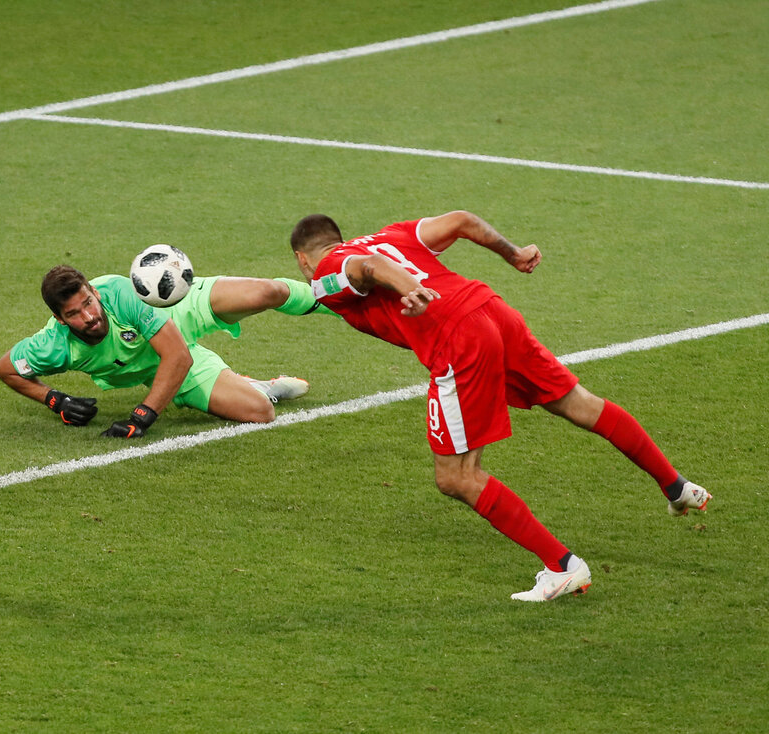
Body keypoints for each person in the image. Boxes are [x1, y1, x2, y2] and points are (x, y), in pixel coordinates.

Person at [290, 210, 711, 602]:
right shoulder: (392, 234)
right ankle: (677, 487)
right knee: (578, 403)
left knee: (456, 477)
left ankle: (563, 567)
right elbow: (460, 220)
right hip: (492, 310)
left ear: (302, 259)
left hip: (456, 337)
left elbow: (369, 269)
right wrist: (513, 253)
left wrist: (411, 289)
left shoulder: (327, 270)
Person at [0, 266, 325, 437]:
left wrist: (142, 416)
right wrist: (55, 400)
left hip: (179, 309)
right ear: (59, 319)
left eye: (89, 303)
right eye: (74, 314)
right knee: (260, 412)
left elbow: (178, 354)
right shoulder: (52, 346)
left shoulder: (122, 294)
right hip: (162, 366)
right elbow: (7, 369)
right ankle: (259, 387)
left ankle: (337, 295)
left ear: (95, 292)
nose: (90, 317)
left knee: (269, 291)